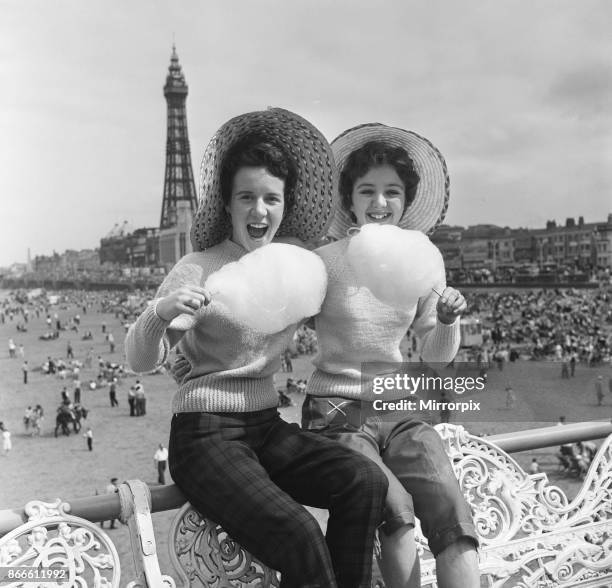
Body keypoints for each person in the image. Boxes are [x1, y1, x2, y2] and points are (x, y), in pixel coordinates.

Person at [125, 108, 388, 587]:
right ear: (227, 203)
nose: (259, 211)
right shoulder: (201, 267)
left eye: (271, 198)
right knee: (300, 533)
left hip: (266, 429)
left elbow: (361, 310)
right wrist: (160, 311)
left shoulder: (297, 269)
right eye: (246, 197)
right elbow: (140, 360)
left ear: (286, 204)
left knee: (365, 482)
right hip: (205, 436)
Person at [301, 125, 479, 588]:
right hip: (335, 407)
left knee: (451, 509)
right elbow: (278, 326)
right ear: (350, 199)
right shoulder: (323, 262)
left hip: (396, 404)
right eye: (368, 191)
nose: (380, 204)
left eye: (391, 192)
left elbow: (437, 357)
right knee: (394, 508)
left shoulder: (422, 258)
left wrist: (446, 319)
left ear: (405, 200)